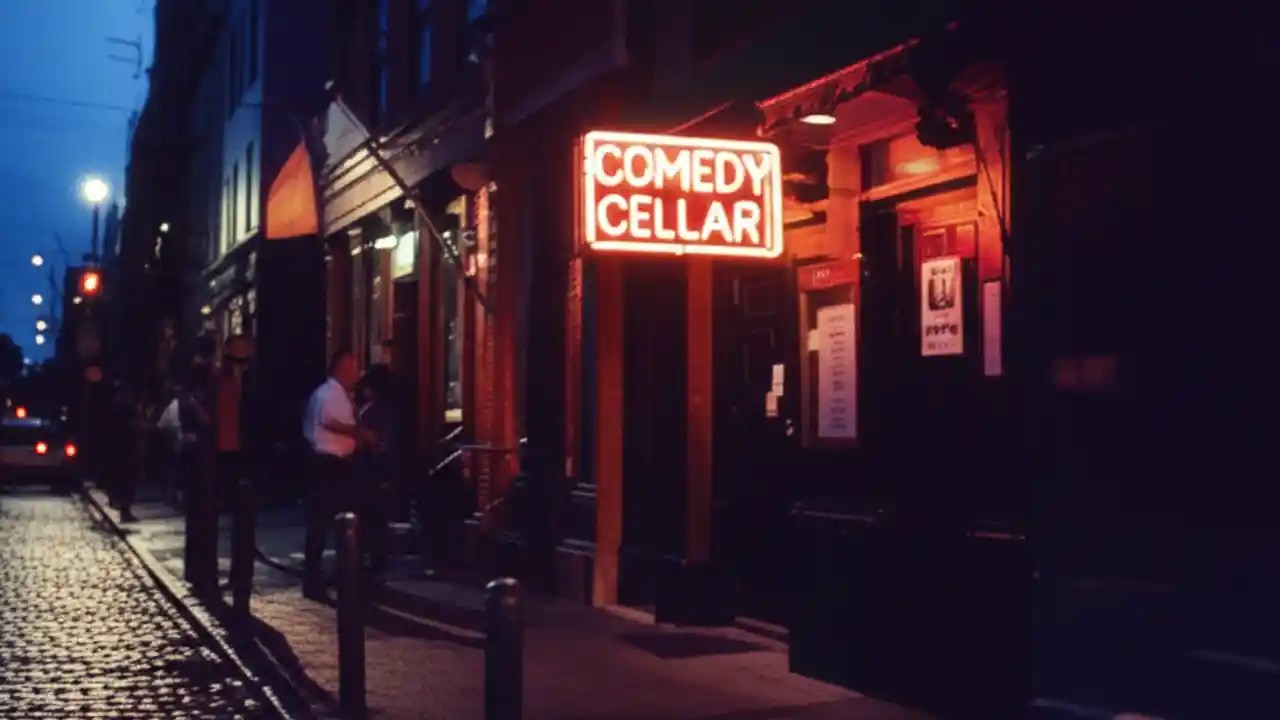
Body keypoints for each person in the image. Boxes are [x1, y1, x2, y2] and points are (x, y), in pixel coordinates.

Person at [301, 349, 364, 599]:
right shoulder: (330, 394)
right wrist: (360, 432)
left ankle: (326, 576)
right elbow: (330, 421)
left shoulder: (332, 393)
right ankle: (321, 579)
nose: (357, 374)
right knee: (326, 522)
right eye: (352, 369)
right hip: (330, 464)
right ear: (341, 370)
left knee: (325, 521)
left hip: (329, 463)